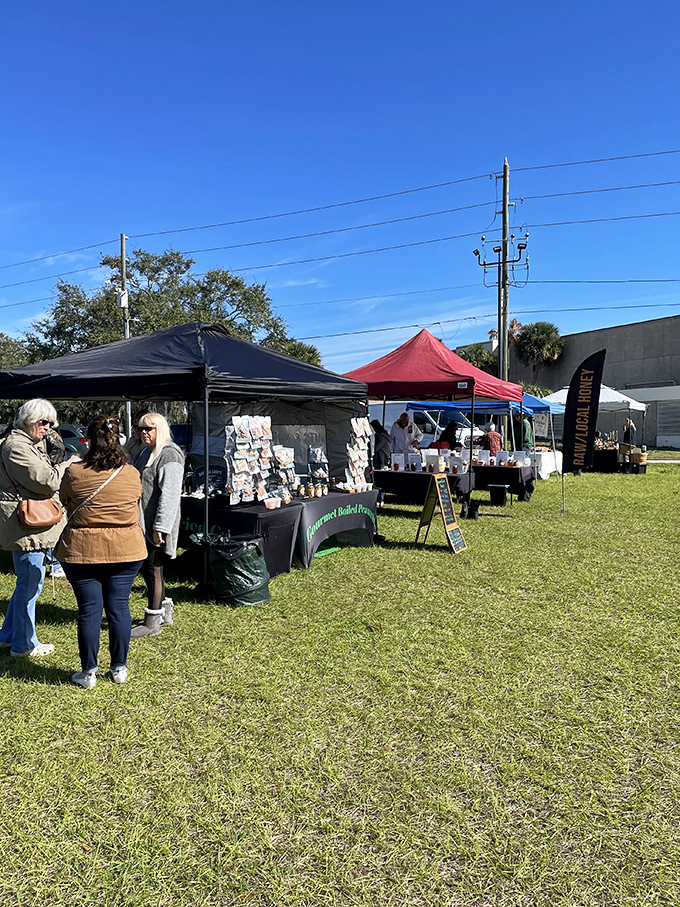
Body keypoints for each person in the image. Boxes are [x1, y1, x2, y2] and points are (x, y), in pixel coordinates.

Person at [54, 417, 146, 688]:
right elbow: (136, 501)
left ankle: (88, 671)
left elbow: (65, 500)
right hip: (127, 548)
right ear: (117, 438)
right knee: (119, 607)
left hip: (82, 550)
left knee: (89, 610)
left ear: (88, 439)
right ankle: (119, 668)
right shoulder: (131, 473)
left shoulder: (75, 472)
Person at [0, 399, 72, 657]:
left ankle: (9, 636)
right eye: (44, 422)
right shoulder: (16, 447)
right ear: (29, 419)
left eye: (51, 423)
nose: (48, 428)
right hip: (26, 527)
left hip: (30, 524)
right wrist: (68, 464)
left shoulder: (25, 443)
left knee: (27, 583)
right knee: (29, 584)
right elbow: (47, 481)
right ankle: (24, 644)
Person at [131, 412, 185, 638]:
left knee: (154, 569)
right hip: (145, 524)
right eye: (141, 428)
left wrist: (161, 526)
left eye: (149, 429)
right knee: (149, 568)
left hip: (158, 525)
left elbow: (170, 496)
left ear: (160, 429)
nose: (144, 433)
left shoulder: (169, 454)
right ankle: (164, 610)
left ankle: (153, 620)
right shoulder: (145, 452)